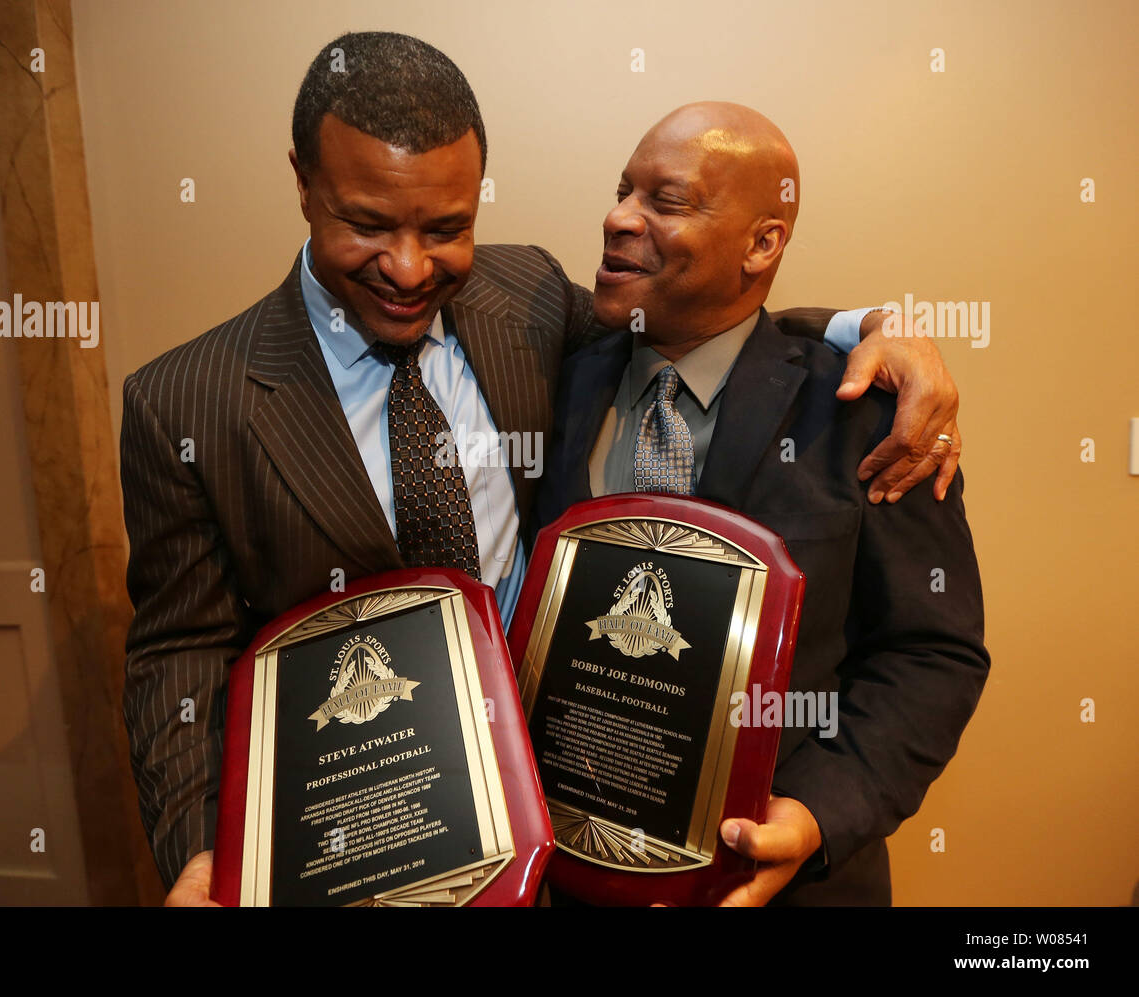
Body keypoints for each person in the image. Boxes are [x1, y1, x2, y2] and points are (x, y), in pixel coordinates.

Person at [119, 32, 964, 906]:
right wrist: (199, 849)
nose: (410, 270)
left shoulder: (522, 301)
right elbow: (178, 650)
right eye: (368, 224)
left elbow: (711, 323)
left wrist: (871, 328)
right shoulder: (185, 404)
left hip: (602, 846)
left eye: (446, 229)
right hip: (364, 851)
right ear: (303, 182)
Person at [532, 101, 990, 906]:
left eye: (664, 202)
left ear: (762, 242)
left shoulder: (869, 419)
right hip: (569, 872)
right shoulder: (549, 380)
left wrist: (815, 812)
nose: (616, 218)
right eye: (621, 191)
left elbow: (932, 655)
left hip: (775, 882)